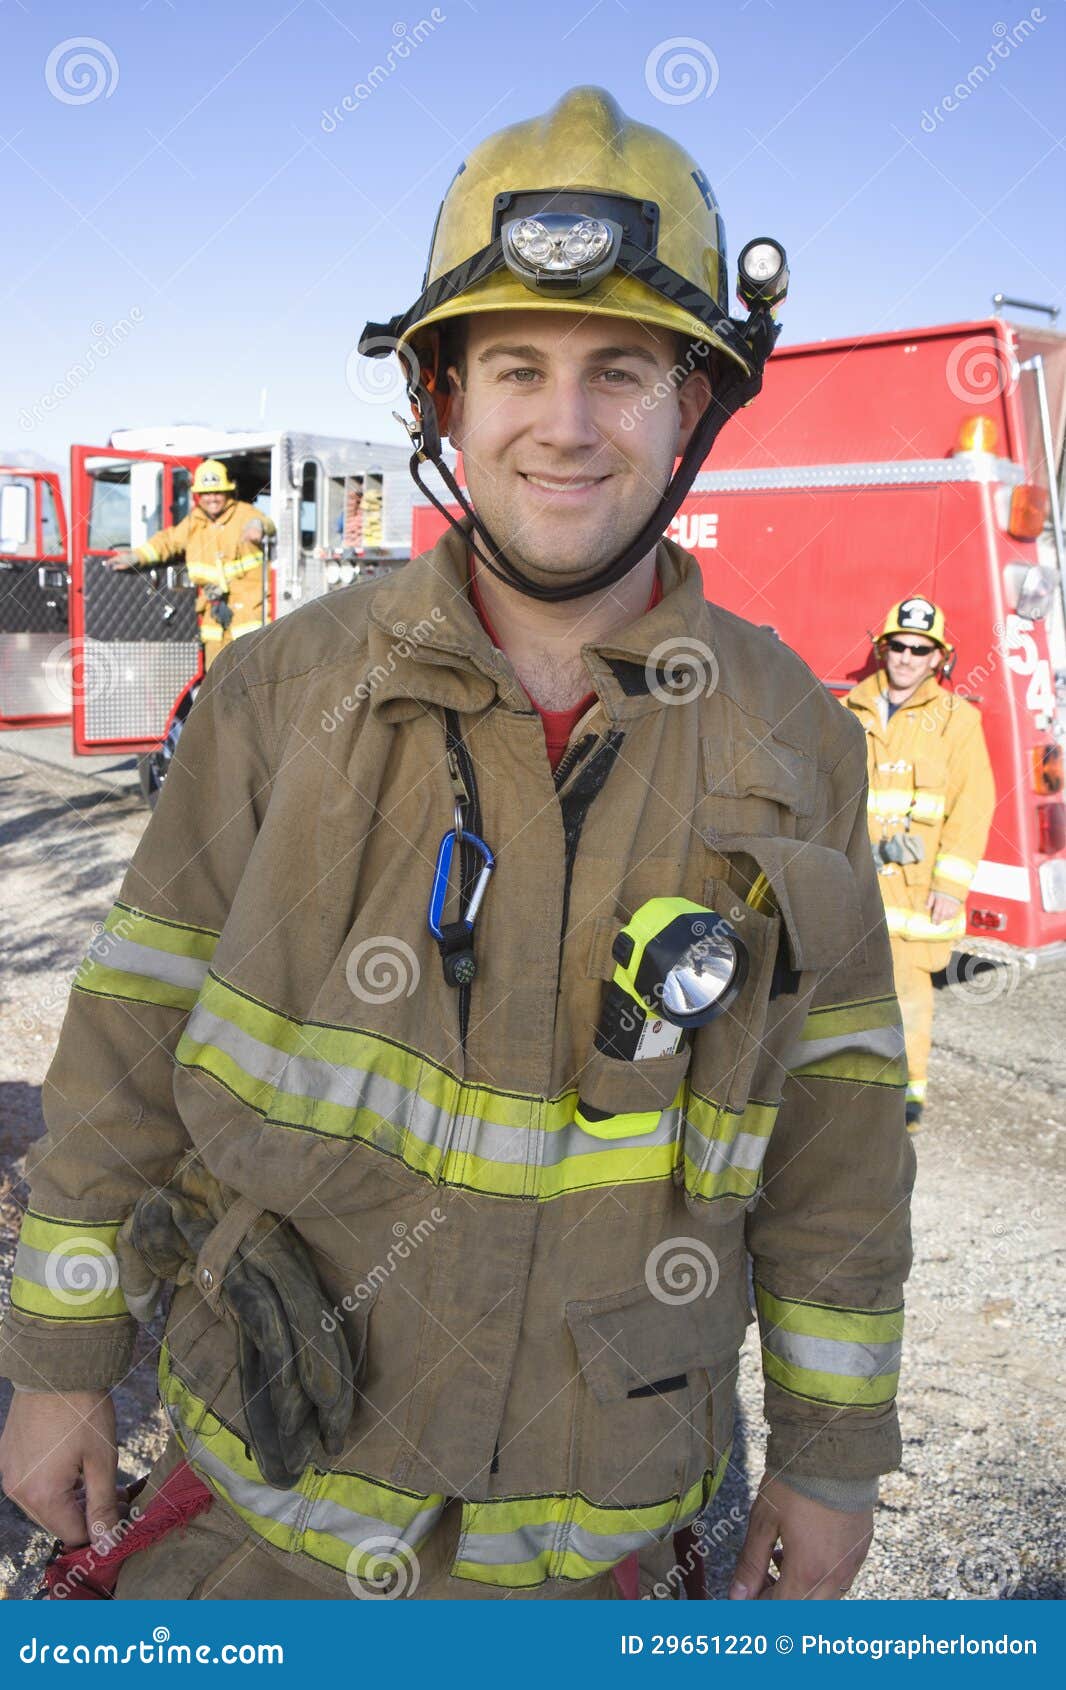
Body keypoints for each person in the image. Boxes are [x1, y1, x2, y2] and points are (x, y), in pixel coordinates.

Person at [0, 87, 914, 1603]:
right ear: (439, 399)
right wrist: (60, 1363)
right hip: (266, 1523)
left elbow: (839, 1126)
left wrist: (825, 1456)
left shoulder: (790, 738)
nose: (566, 424)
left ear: (695, 403)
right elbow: (126, 1040)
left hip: (598, 1543)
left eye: (621, 370)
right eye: (515, 367)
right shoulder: (281, 696)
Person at [845, 598, 995, 1129]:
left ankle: (904, 1101)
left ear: (938, 658)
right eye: (899, 646)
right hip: (856, 886)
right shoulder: (849, 712)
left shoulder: (958, 721)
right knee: (844, 994)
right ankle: (847, 1090)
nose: (907, 657)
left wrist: (950, 886)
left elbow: (973, 807)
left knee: (907, 998)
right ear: (884, 649)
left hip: (913, 895)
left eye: (920, 649)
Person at [107, 458, 275, 667]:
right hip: (214, 608)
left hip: (248, 609)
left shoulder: (244, 513)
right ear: (198, 495)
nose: (212, 499)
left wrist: (256, 527)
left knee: (250, 670)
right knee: (215, 671)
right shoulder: (194, 522)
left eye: (217, 492)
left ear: (228, 492)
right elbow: (167, 542)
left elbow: (264, 522)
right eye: (206, 493)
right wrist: (136, 556)